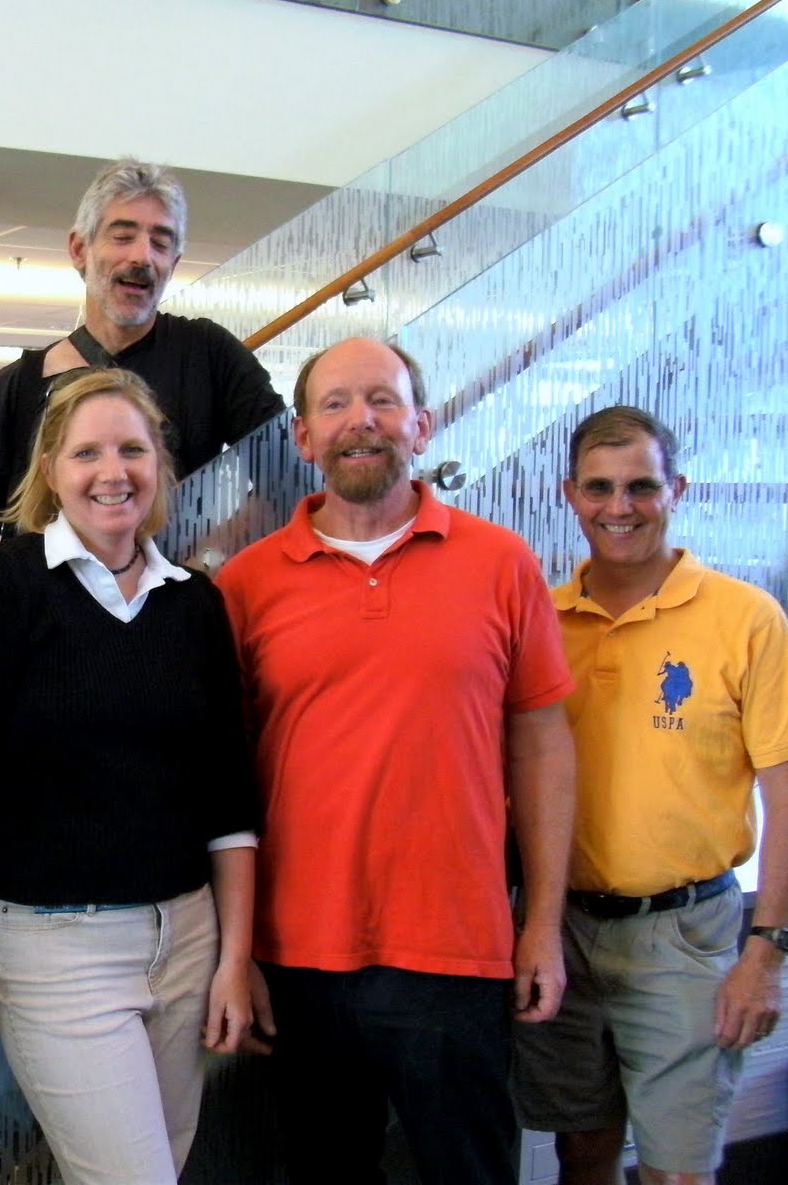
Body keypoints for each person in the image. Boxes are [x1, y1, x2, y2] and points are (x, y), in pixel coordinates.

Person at [214, 336, 577, 1185]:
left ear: (422, 421)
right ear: (303, 437)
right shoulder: (246, 584)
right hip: (297, 958)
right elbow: (219, 783)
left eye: (381, 399)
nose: (360, 422)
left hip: (457, 955)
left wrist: (543, 926)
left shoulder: (502, 564)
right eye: (336, 404)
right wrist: (236, 955)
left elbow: (543, 749)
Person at [0, 368, 266, 1185]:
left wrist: (234, 960)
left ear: (161, 468)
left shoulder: (195, 606)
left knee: (162, 1167)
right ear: (51, 472)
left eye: (133, 450)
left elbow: (228, 798)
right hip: (55, 946)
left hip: (189, 939)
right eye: (88, 452)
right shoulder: (2, 589)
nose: (114, 472)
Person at [512, 405, 788, 1185]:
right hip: (559, 927)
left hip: (685, 936)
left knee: (679, 1171)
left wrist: (766, 952)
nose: (620, 508)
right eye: (600, 488)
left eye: (641, 486)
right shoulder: (539, 615)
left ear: (676, 488)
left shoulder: (747, 618)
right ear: (569, 493)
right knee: (582, 1151)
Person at [0, 158, 284, 570]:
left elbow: (283, 475)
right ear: (79, 249)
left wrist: (202, 565)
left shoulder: (210, 355)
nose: (142, 256)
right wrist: (12, 594)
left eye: (161, 243)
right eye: (123, 237)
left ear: (173, 265)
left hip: (169, 613)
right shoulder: (17, 386)